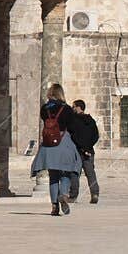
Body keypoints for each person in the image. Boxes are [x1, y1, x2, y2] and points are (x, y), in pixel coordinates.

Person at [29, 83, 81, 215]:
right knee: (66, 173)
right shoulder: (67, 109)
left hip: (49, 144)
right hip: (64, 142)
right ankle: (63, 194)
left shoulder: (44, 109)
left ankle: (54, 207)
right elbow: (73, 127)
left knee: (53, 176)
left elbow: (46, 120)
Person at [71, 99, 101, 204]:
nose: (72, 108)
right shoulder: (90, 120)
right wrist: (88, 147)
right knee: (90, 173)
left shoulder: (74, 120)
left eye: (73, 106)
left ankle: (73, 196)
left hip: (78, 151)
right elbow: (96, 136)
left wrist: (82, 147)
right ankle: (95, 194)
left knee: (75, 173)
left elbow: (74, 136)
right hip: (89, 151)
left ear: (78, 107)